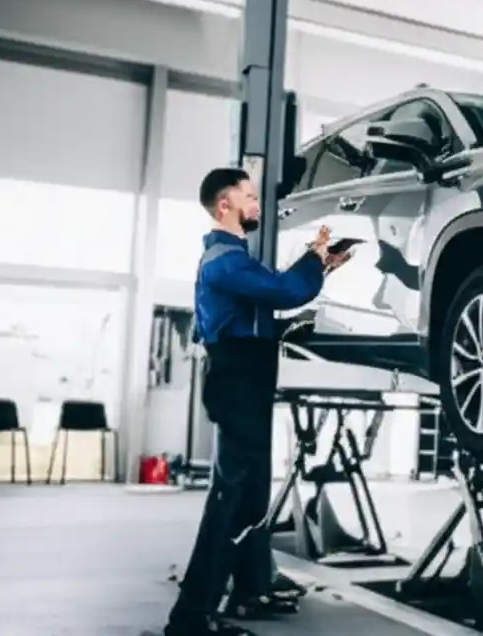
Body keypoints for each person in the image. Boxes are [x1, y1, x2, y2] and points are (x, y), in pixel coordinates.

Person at [164, 167, 350, 636]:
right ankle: (190, 618)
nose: (256, 203)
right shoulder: (225, 261)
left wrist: (321, 266)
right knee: (231, 498)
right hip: (237, 383)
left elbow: (267, 309)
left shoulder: (236, 258)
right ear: (224, 204)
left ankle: (248, 588)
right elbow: (286, 292)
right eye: (248, 196)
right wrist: (313, 260)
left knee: (250, 495)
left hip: (247, 380)